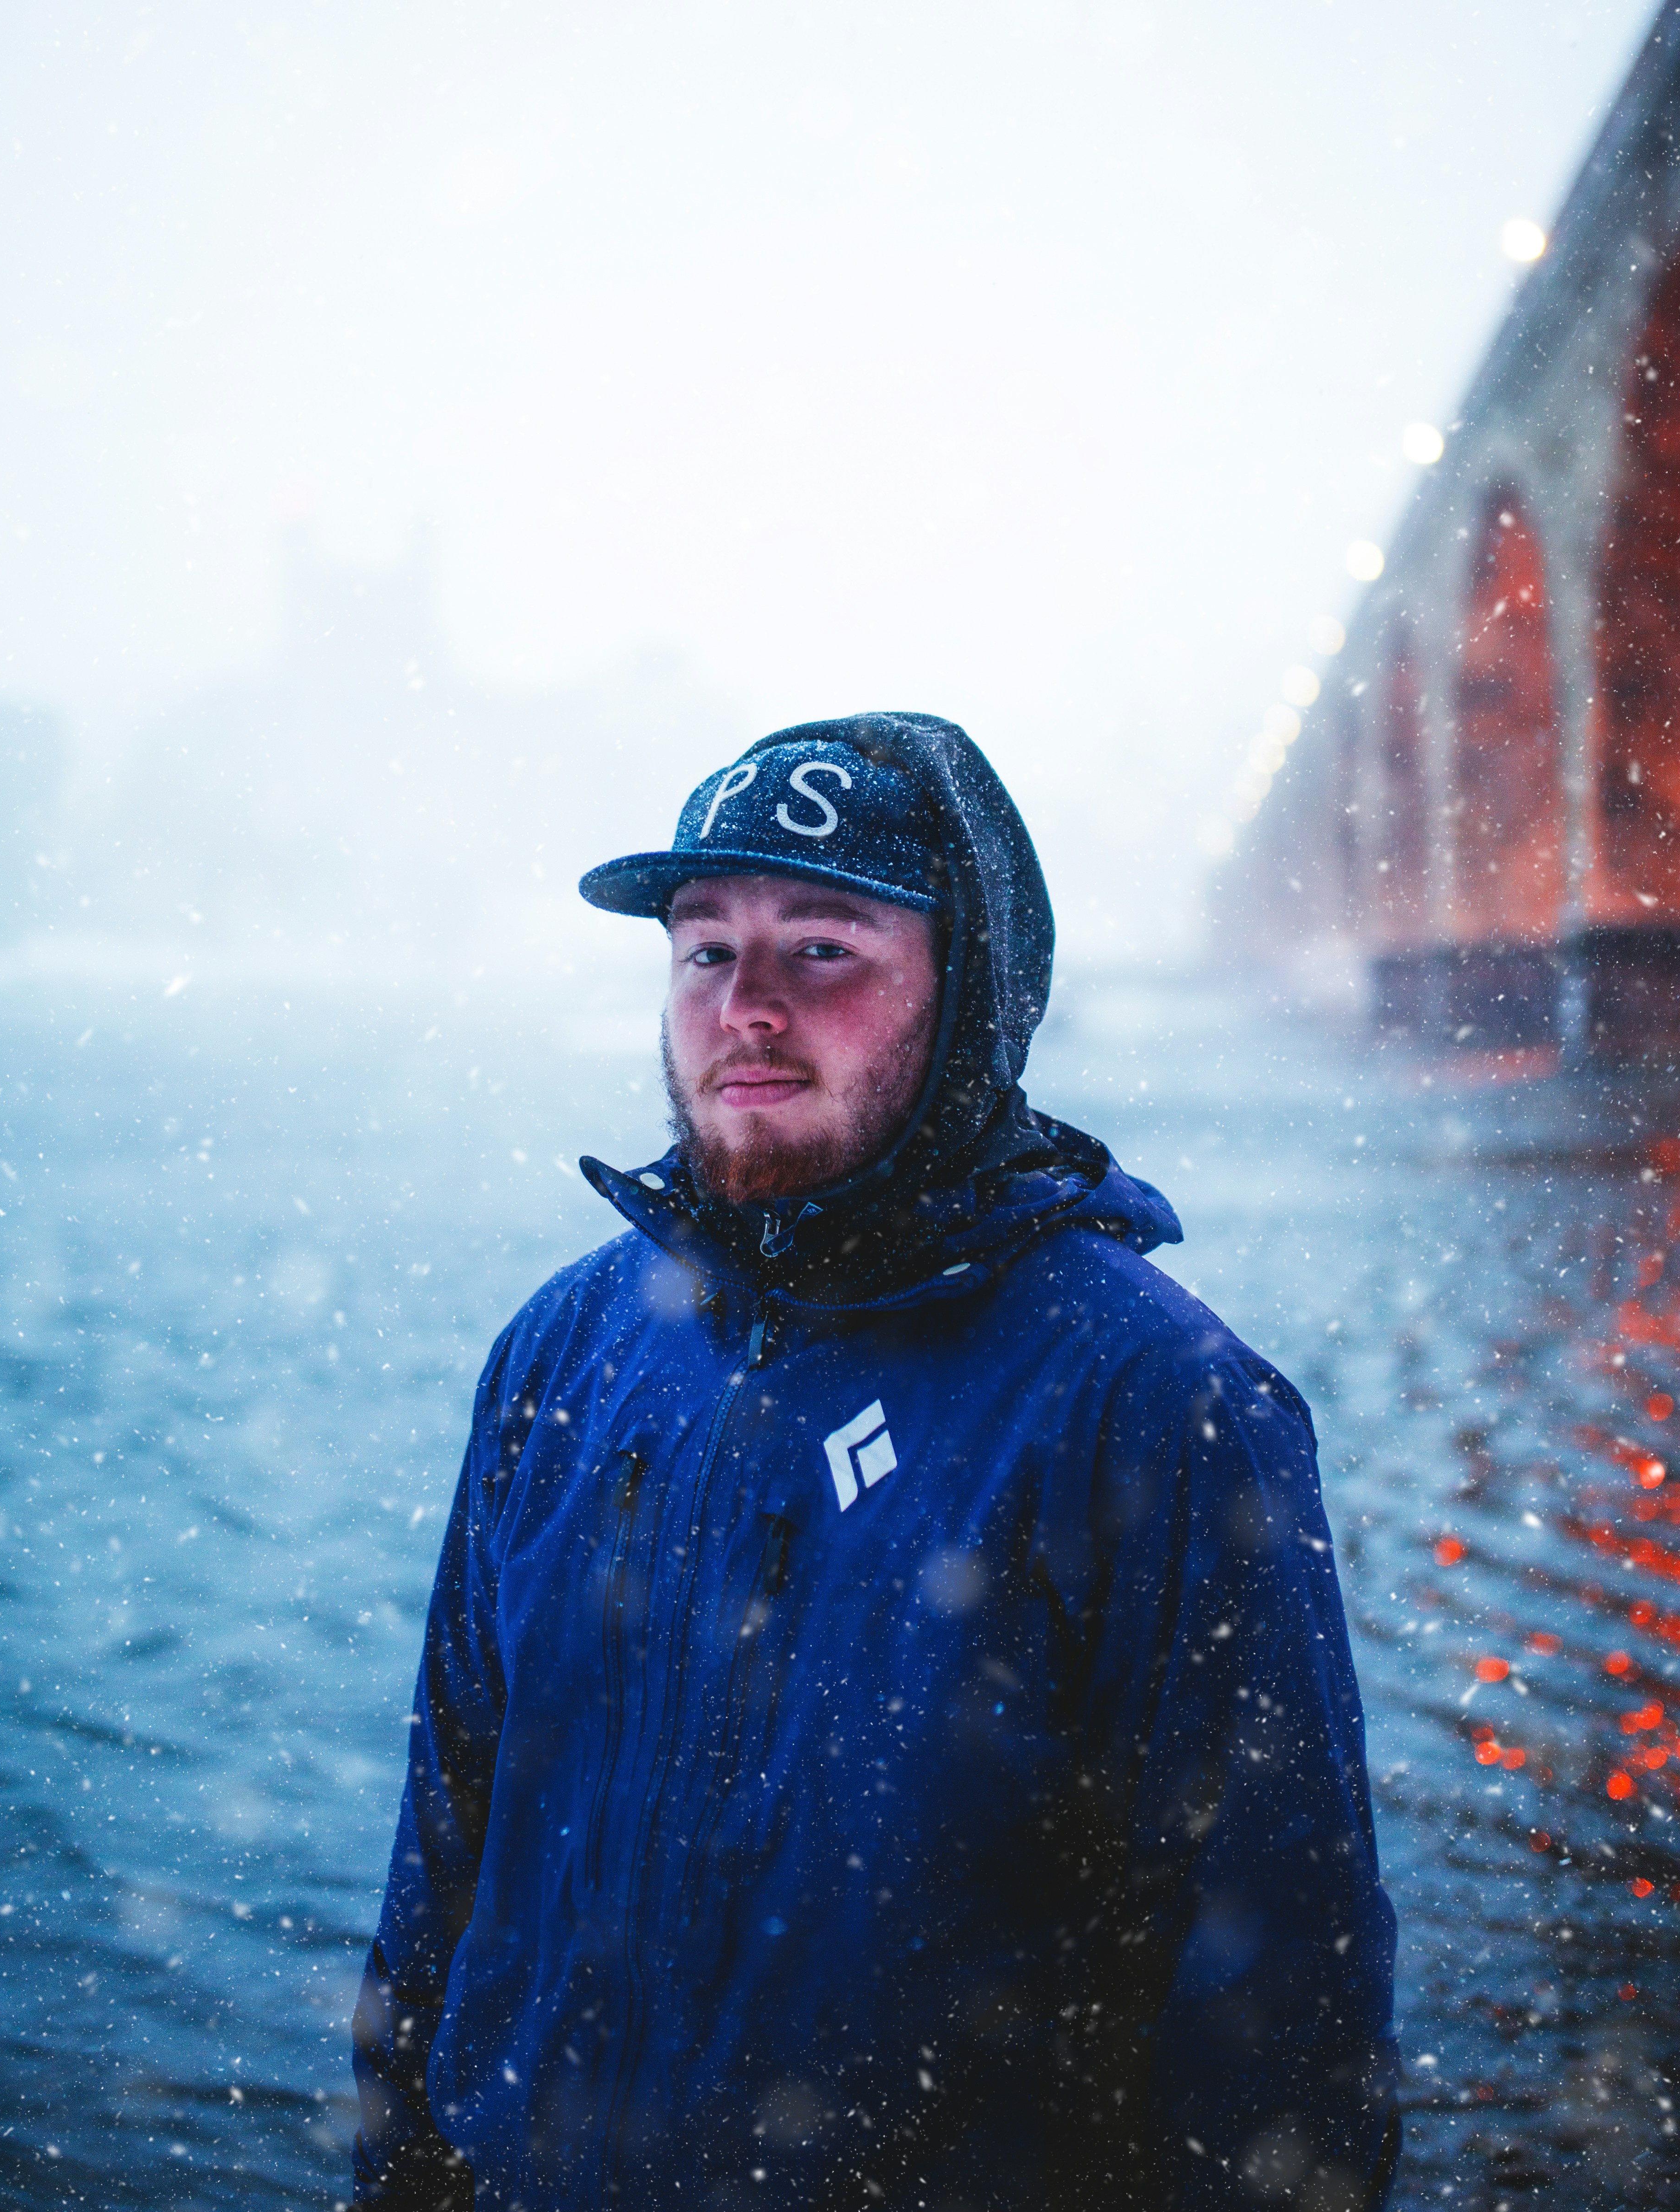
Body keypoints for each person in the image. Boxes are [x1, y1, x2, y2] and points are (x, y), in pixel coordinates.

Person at [351, 713, 1400, 2212]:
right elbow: (442, 1856)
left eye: (822, 949)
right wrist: (398, 2172)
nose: (747, 1006)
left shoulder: (1152, 1404)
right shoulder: (568, 1355)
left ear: (967, 993)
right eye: (706, 950)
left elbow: (1280, 2004)